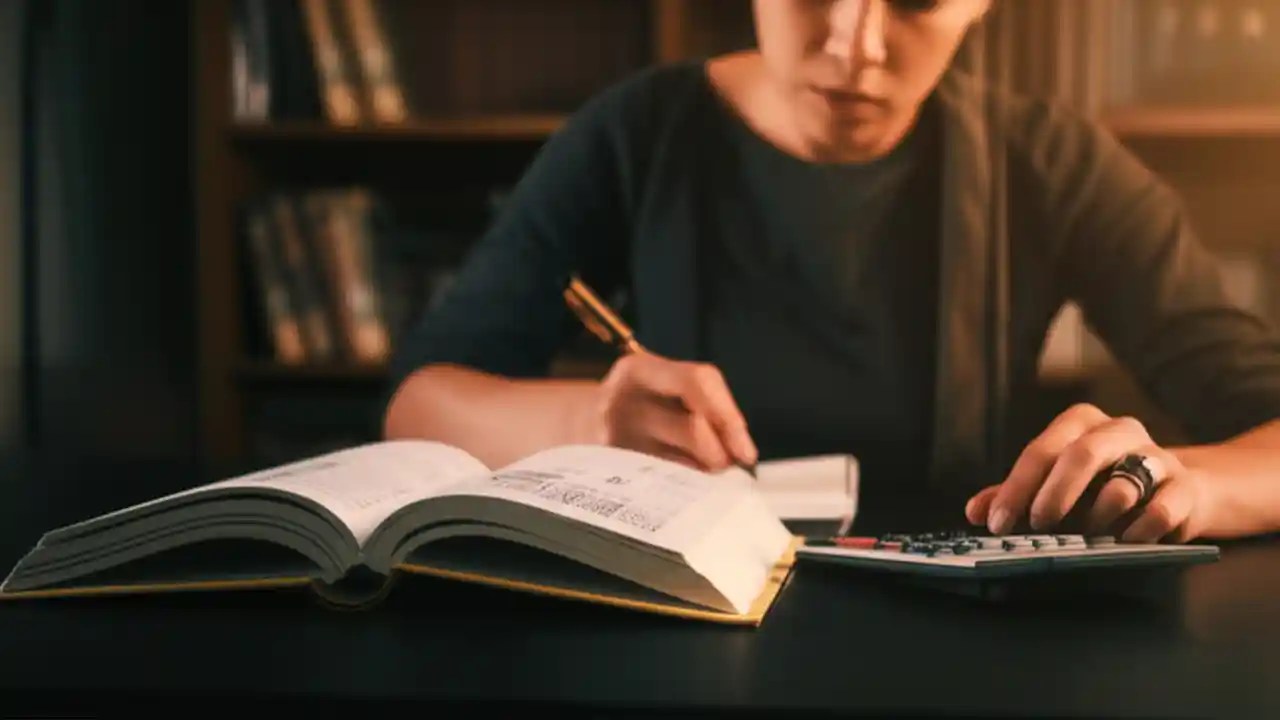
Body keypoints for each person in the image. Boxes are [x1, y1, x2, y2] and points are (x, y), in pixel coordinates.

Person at [383, 0, 1280, 542]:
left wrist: (1187, 485)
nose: (855, 48)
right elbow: (417, 407)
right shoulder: (635, 135)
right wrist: (586, 419)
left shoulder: (1052, 165)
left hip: (965, 646)